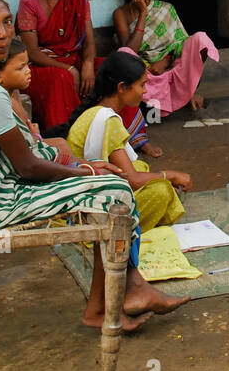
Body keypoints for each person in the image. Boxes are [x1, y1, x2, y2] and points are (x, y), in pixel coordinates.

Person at [0, 0, 188, 331]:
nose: (4, 33)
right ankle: (123, 293)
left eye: (7, 22)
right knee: (114, 192)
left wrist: (83, 168)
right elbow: (28, 166)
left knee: (100, 182)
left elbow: (22, 152)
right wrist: (83, 171)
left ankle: (125, 291)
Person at [65, 51, 191, 234]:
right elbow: (132, 179)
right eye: (142, 85)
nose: (145, 91)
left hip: (86, 192)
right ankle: (122, 234)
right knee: (161, 192)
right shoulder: (107, 120)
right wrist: (170, 175)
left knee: (142, 167)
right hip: (89, 202)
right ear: (122, 87)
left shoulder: (98, 112)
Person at [111, 0, 218, 114]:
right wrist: (143, 13)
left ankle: (188, 91)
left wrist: (166, 60)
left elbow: (180, 43)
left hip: (170, 65)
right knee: (125, 55)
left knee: (200, 38)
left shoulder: (166, 8)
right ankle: (166, 100)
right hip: (144, 72)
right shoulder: (121, 14)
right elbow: (129, 51)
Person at [17, 0, 96, 130]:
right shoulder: (29, 1)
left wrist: (88, 65)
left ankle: (122, 136)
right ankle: (64, 136)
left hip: (74, 58)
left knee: (113, 68)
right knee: (62, 77)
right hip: (41, 66)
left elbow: (89, 41)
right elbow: (32, 52)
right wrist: (69, 69)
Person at [0, 36, 74, 166]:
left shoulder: (12, 95)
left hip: (26, 151)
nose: (28, 71)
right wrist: (36, 136)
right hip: (16, 161)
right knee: (61, 145)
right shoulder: (6, 103)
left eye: (27, 65)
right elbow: (22, 146)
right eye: (21, 68)